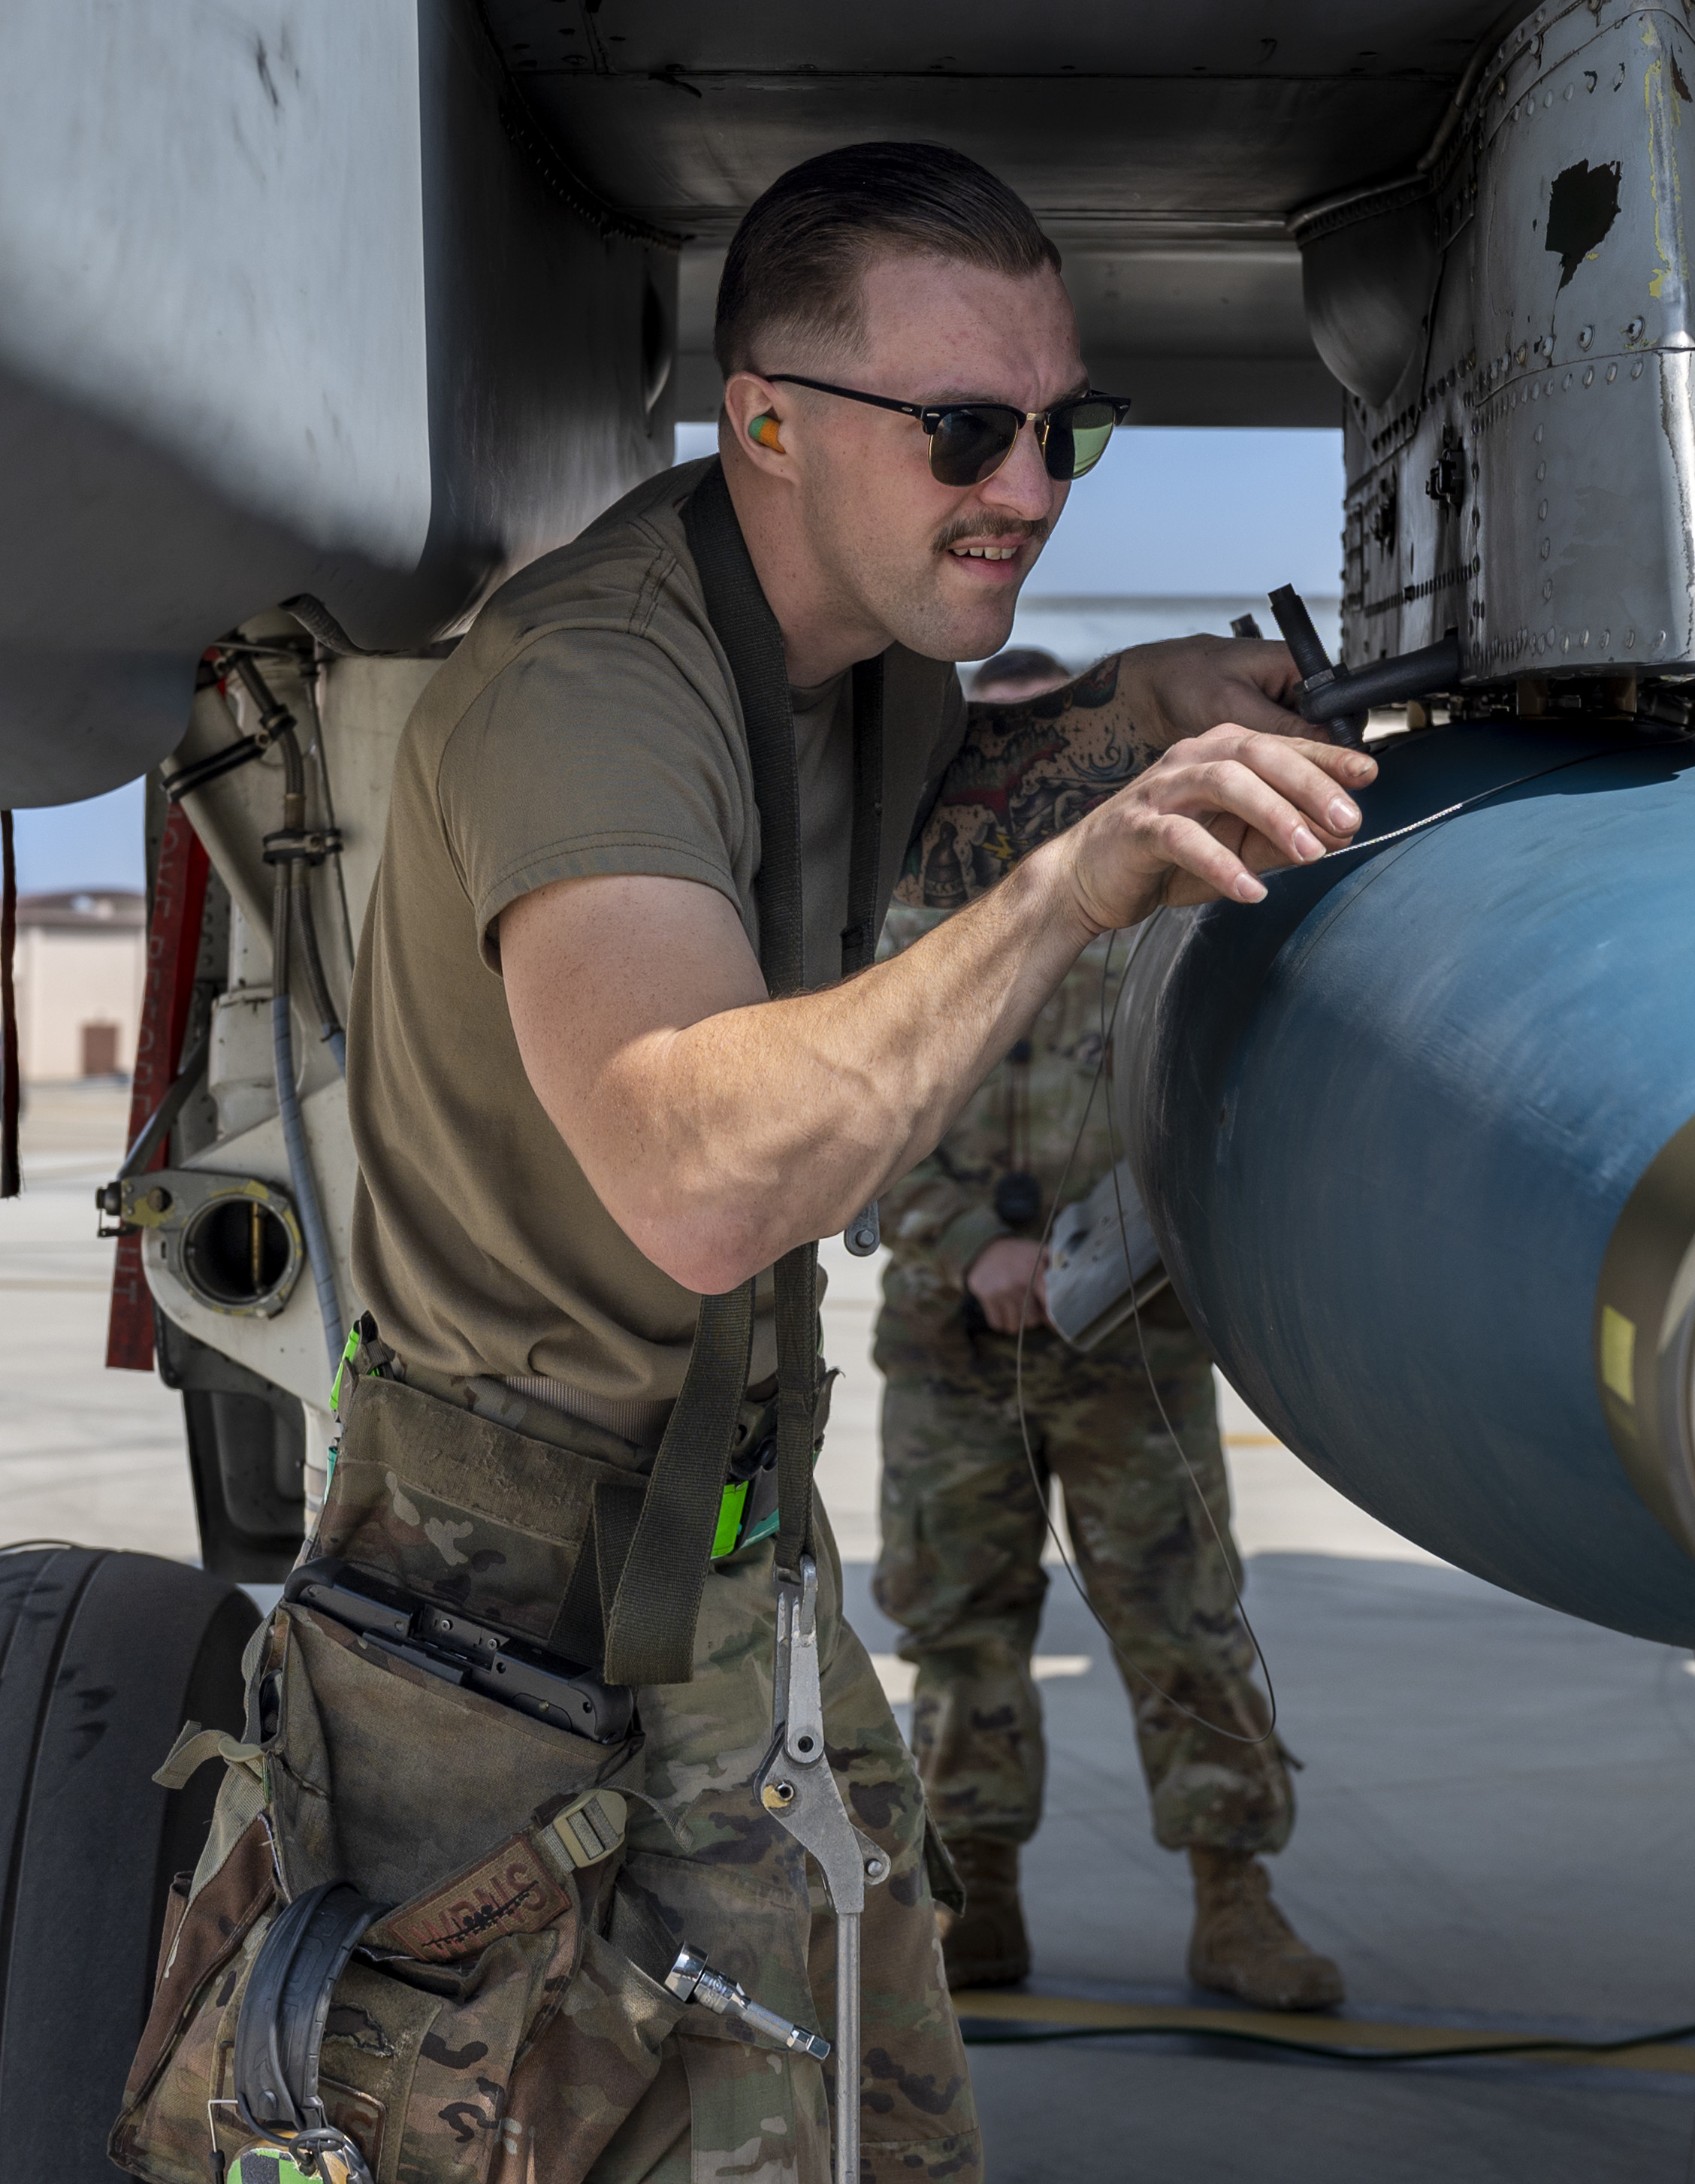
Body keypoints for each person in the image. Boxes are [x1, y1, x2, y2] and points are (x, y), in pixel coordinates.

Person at [113, 141, 1372, 2184]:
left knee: (894, 2144)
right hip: (502, 1632)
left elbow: (937, 789)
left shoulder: (853, 656)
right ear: (770, 424)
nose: (1034, 489)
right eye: (967, 428)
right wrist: (1079, 878)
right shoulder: (593, 689)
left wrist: (1129, 709)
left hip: (729, 1578)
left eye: (1069, 429)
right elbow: (700, 1170)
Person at [872, 649, 1340, 2012]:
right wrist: (974, 1248)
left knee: (1184, 1624)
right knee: (960, 1635)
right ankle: (974, 1907)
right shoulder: (907, 926)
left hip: (1126, 1344)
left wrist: (1093, 1247)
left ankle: (1235, 1903)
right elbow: (872, 1112)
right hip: (950, 1346)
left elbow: (1203, 1103)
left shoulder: (1164, 913)